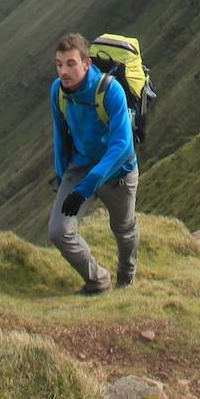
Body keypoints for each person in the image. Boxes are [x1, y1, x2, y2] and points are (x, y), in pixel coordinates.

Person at [47, 32, 139, 294]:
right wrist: (62, 176)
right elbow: (60, 135)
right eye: (59, 64)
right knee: (59, 231)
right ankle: (98, 280)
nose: (63, 71)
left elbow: (122, 146)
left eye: (70, 64)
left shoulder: (111, 91)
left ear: (86, 63)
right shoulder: (58, 91)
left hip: (118, 172)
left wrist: (85, 188)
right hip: (81, 166)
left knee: (124, 228)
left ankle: (126, 278)